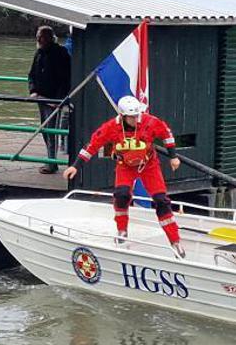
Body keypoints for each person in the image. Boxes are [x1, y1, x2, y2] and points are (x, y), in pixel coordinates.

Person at [62, 96, 185, 258]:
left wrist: (173, 156)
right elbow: (92, 145)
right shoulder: (111, 127)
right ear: (122, 116)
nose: (136, 119)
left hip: (149, 165)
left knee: (161, 200)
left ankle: (175, 241)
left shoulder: (150, 122)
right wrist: (75, 166)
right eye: (132, 117)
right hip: (125, 166)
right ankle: (122, 230)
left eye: (137, 115)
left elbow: (167, 134)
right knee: (121, 194)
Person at [28, 25, 71, 174]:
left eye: (43, 36)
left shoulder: (60, 53)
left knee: (51, 130)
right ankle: (50, 159)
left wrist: (58, 100)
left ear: (50, 38)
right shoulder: (39, 53)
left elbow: (65, 79)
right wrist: (33, 90)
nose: (40, 39)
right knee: (45, 130)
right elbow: (31, 74)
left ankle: (51, 162)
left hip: (54, 99)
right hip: (40, 97)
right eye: (38, 36)